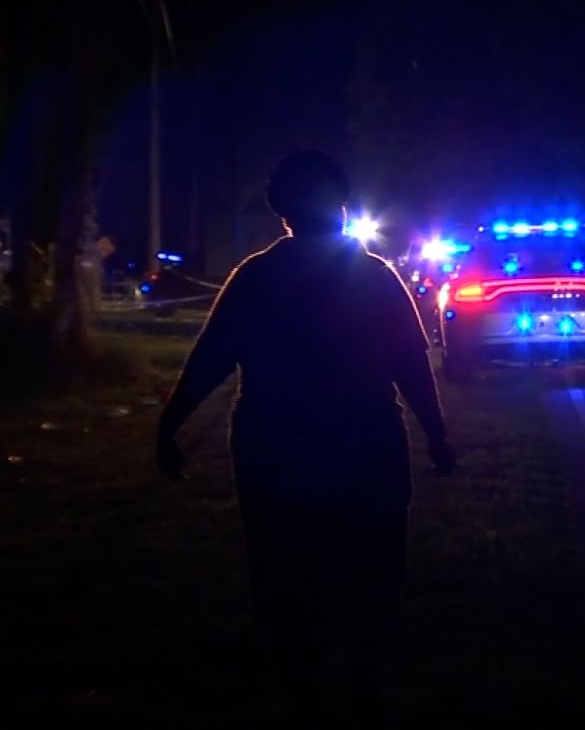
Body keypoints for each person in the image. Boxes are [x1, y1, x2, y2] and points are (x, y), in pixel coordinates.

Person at [155, 149, 454, 719]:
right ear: (341, 205)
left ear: (280, 209)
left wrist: (170, 426)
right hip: (366, 449)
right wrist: (436, 436)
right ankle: (363, 689)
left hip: (275, 453)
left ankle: (304, 693)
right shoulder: (372, 277)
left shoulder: (257, 278)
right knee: (373, 579)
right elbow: (411, 364)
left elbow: (210, 360)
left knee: (283, 581)